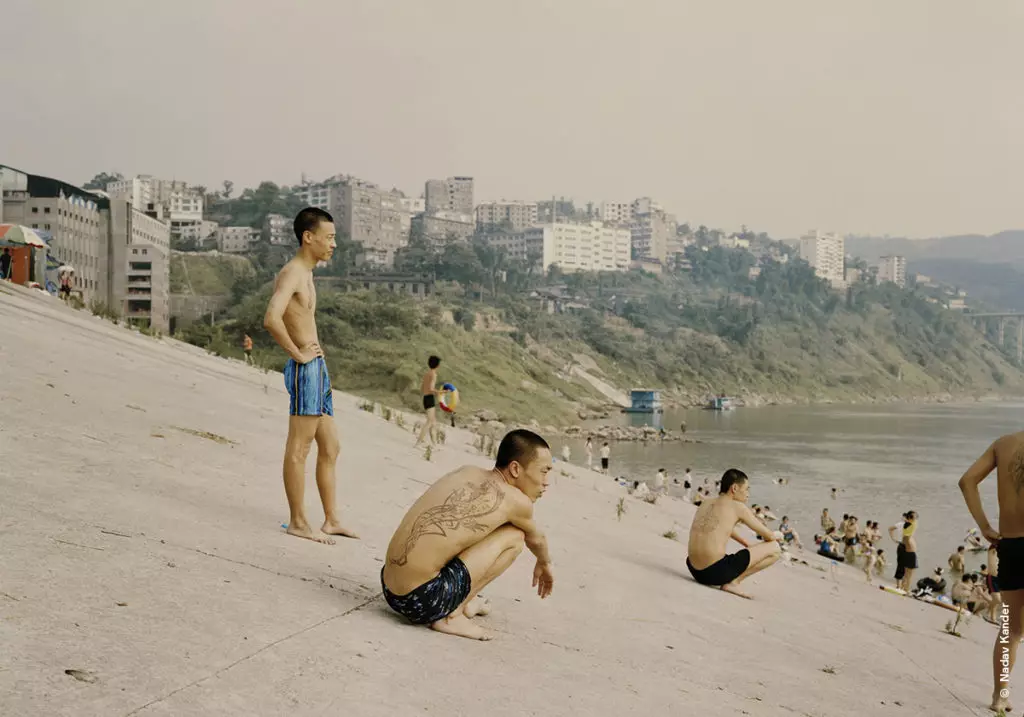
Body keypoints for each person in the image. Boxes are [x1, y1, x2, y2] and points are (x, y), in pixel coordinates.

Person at [381, 429, 554, 641]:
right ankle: (451, 616)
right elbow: (537, 539)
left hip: (389, 588)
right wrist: (544, 563)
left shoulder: (467, 472)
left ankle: (463, 601)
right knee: (515, 537)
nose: (546, 482)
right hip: (421, 600)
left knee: (474, 528)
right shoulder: (517, 502)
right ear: (516, 468)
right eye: (544, 471)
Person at [263, 207, 357, 545]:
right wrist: (300, 354)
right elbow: (271, 318)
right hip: (307, 370)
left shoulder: (308, 273)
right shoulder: (292, 273)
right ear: (309, 237)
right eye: (329, 237)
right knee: (299, 447)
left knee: (331, 446)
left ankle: (331, 519)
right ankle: (299, 522)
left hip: (318, 370)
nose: (333, 244)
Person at [957, 434, 1024, 713]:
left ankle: (1000, 696)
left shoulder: (1004, 443)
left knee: (1011, 630)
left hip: (1012, 547)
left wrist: (985, 526)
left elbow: (967, 481)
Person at [685, 469, 781, 599]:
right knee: (775, 548)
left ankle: (730, 580)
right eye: (747, 489)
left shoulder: (706, 502)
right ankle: (733, 583)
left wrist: (745, 543)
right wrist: (777, 536)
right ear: (734, 488)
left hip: (693, 568)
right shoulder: (738, 507)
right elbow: (769, 536)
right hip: (714, 572)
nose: (748, 494)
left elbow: (719, 526)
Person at [415, 356, 442, 447]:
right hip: (429, 398)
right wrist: (440, 392)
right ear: (437, 365)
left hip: (425, 398)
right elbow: (431, 388)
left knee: (433, 423)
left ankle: (435, 445)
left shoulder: (427, 374)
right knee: (429, 422)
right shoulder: (434, 375)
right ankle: (418, 443)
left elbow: (422, 388)